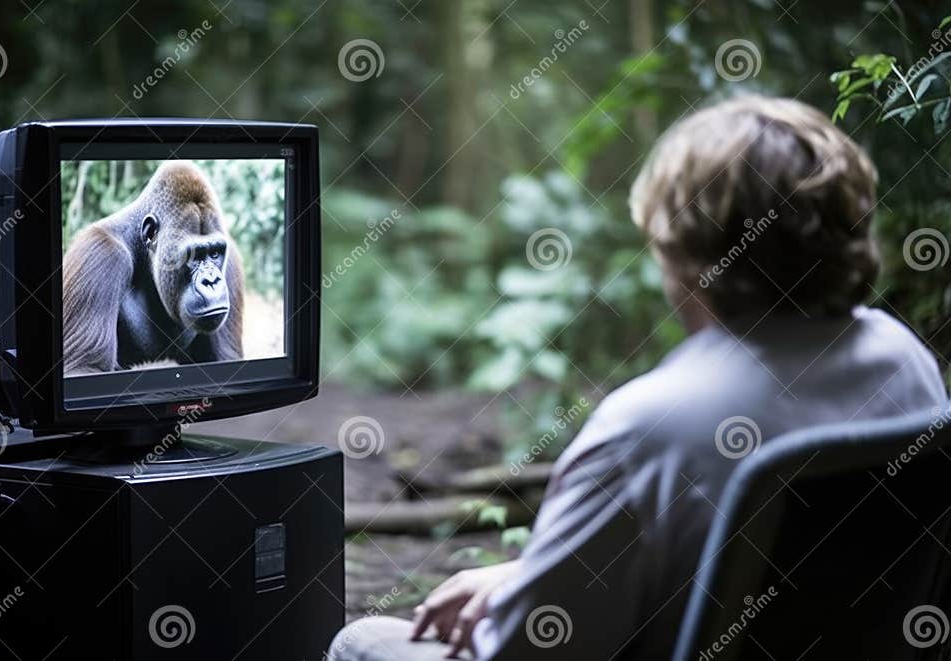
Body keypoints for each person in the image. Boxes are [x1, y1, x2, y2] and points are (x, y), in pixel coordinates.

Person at [327, 96, 948, 660]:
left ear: (682, 255)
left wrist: (523, 607)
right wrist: (526, 579)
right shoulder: (903, 359)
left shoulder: (647, 424)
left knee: (362, 640)